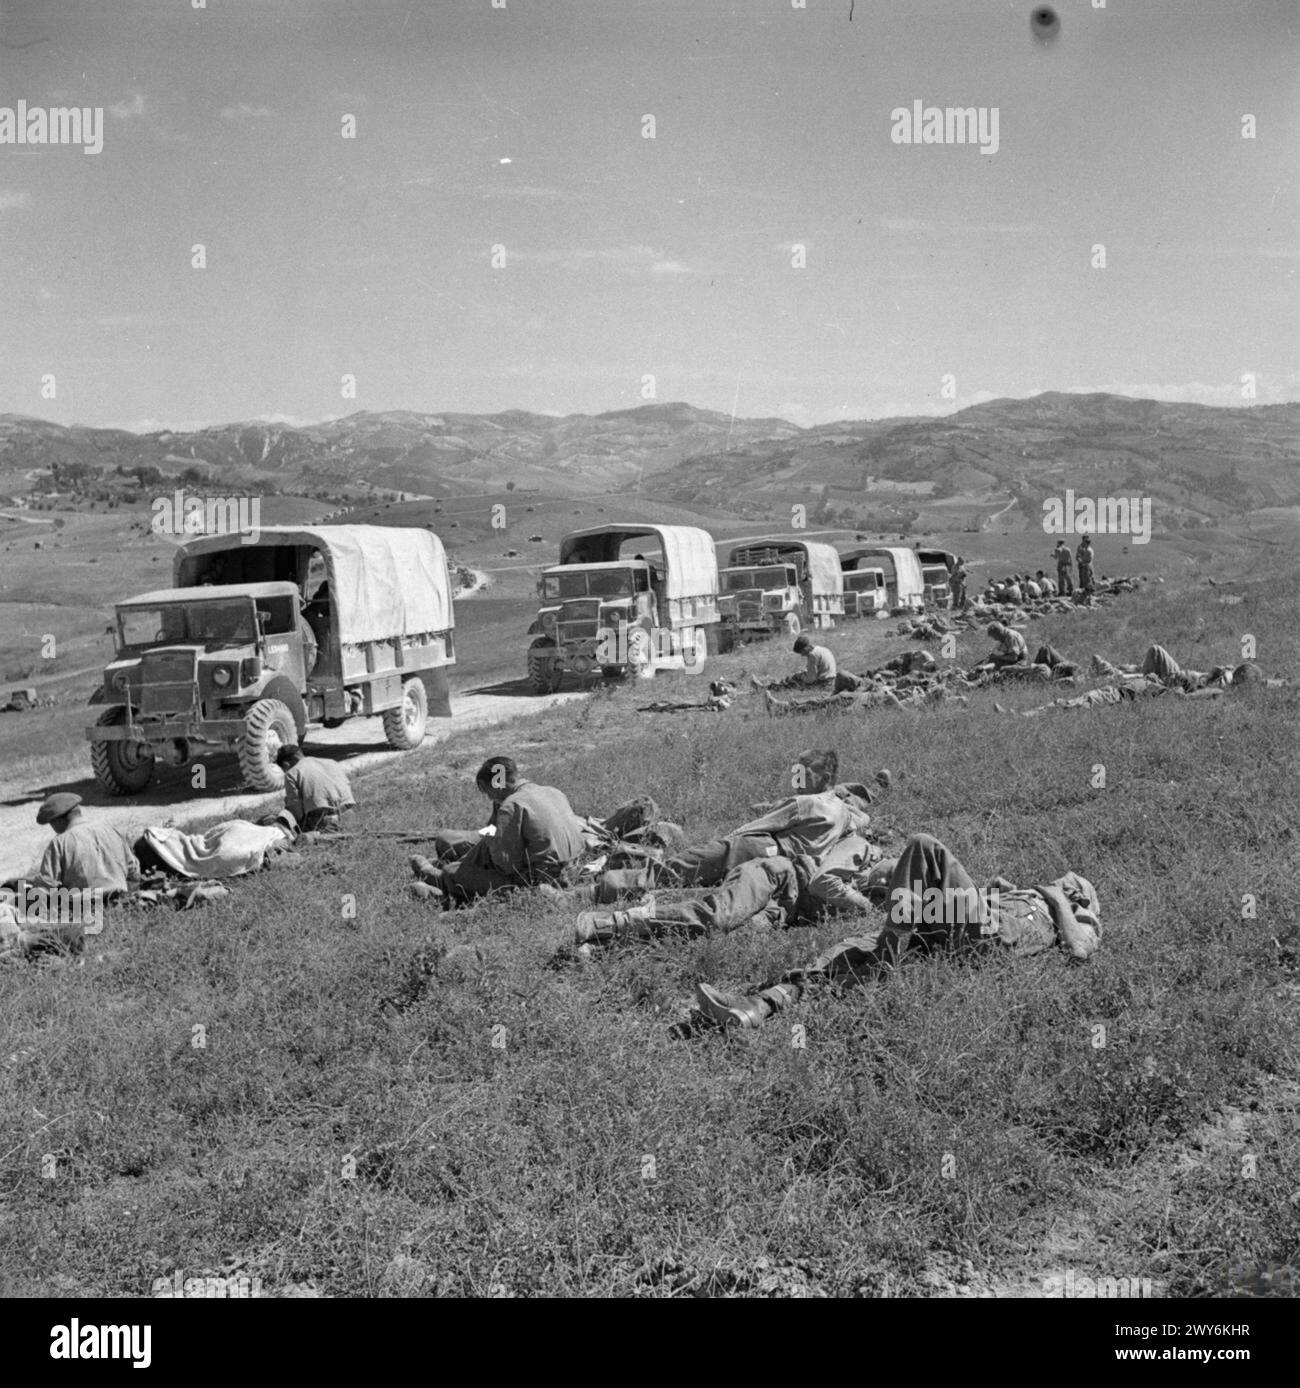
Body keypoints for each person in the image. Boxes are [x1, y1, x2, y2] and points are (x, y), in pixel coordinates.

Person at [690, 833, 1101, 1030]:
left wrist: (1056, 898)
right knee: (851, 948)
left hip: (994, 939)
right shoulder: (1027, 895)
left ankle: (889, 949)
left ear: (1079, 894)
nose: (1059, 881)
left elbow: (1080, 950)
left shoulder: (1072, 910)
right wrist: (998, 891)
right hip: (956, 932)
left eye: (1069, 883)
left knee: (926, 848)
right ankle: (760, 1006)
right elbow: (968, 901)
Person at [590, 750, 877, 898]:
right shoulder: (842, 811)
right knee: (702, 885)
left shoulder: (806, 803)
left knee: (679, 867)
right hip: (784, 868)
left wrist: (727, 842)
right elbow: (859, 821)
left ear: (823, 777)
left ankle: (597, 889)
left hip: (758, 848)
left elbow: (757, 825)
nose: (798, 779)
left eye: (804, 774)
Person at [409, 755, 587, 905]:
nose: (488, 797)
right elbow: (492, 831)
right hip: (571, 867)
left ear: (497, 783)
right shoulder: (552, 791)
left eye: (487, 792)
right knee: (450, 839)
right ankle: (448, 872)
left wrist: (483, 853)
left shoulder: (511, 806)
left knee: (452, 870)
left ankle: (441, 880)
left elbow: (507, 865)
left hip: (537, 880)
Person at [24, 793, 139, 899]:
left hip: (84, 906)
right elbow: (133, 871)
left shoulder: (60, 842)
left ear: (57, 821)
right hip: (119, 899)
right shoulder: (110, 830)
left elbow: (46, 887)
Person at [277, 744, 355, 833]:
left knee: (287, 828)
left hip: (322, 820)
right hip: (349, 814)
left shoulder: (291, 773)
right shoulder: (331, 762)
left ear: (286, 765)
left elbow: (296, 811)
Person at [755, 634, 837, 691]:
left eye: (801, 652)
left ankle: (766, 688)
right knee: (798, 676)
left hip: (823, 684)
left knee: (793, 680)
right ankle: (771, 685)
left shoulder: (812, 655)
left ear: (805, 649)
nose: (801, 655)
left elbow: (811, 679)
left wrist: (801, 676)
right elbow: (819, 669)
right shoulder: (821, 649)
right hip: (831, 681)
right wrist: (804, 673)